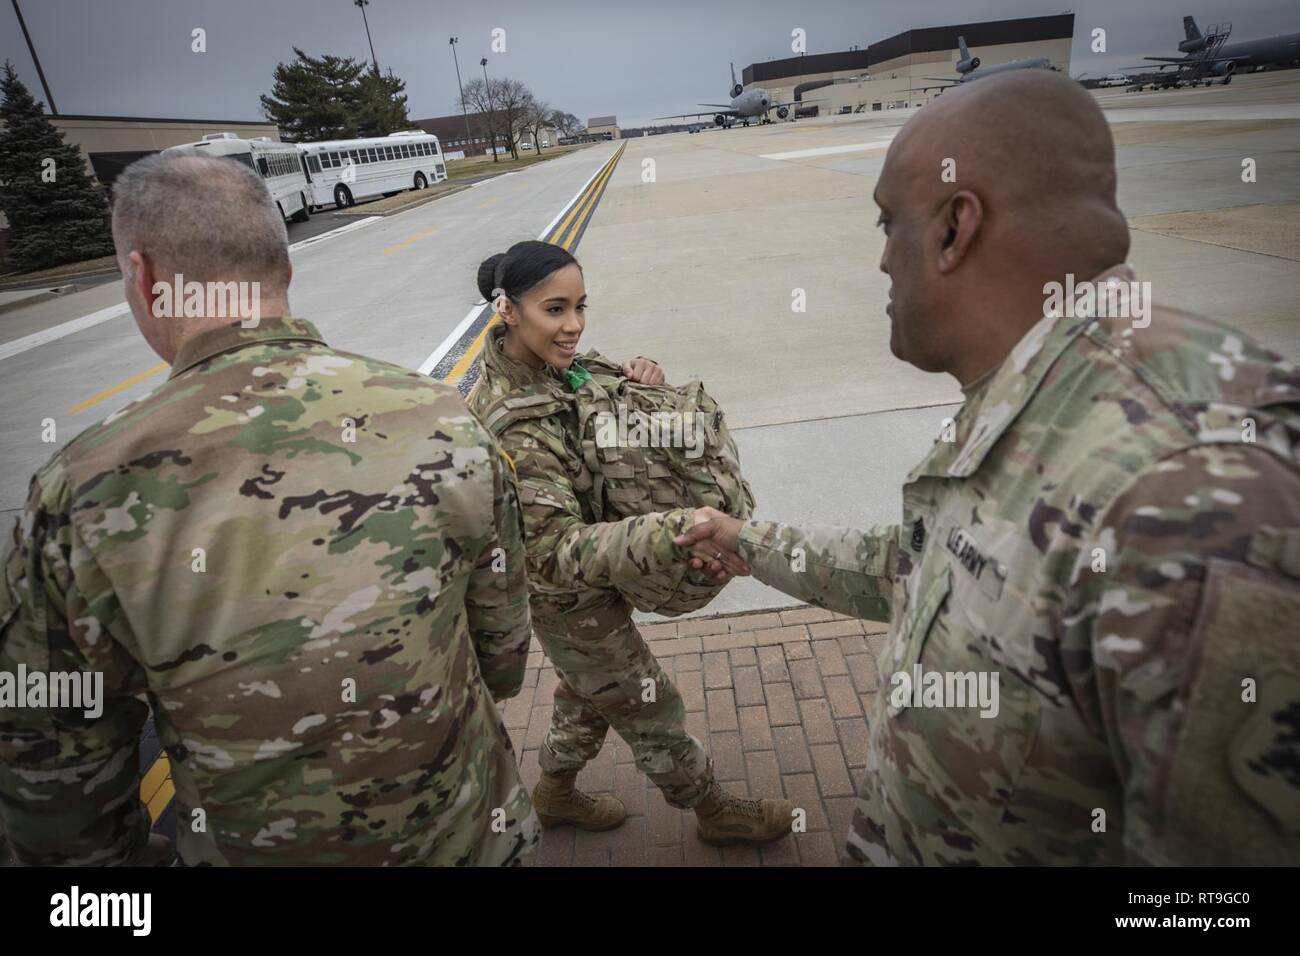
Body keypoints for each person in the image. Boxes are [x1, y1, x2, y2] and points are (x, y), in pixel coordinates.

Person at [678, 70, 1300, 865]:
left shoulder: (1188, 492)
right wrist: (749, 540)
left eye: (885, 225)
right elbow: (931, 564)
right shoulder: (1042, 388)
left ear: (952, 228)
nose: (879, 264)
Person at [0, 154, 537, 866]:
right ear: (284, 269)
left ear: (147, 279)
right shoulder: (442, 417)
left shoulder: (83, 491)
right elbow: (501, 658)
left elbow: (56, 788)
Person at [465, 240, 793, 847]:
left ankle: (555, 794)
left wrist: (639, 380)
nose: (574, 326)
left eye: (580, 307)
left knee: (591, 691)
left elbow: (598, 410)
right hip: (564, 596)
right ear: (508, 311)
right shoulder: (513, 421)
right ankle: (714, 811)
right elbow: (553, 552)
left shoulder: (555, 365)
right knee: (647, 702)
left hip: (604, 569)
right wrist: (678, 530)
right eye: (555, 309)